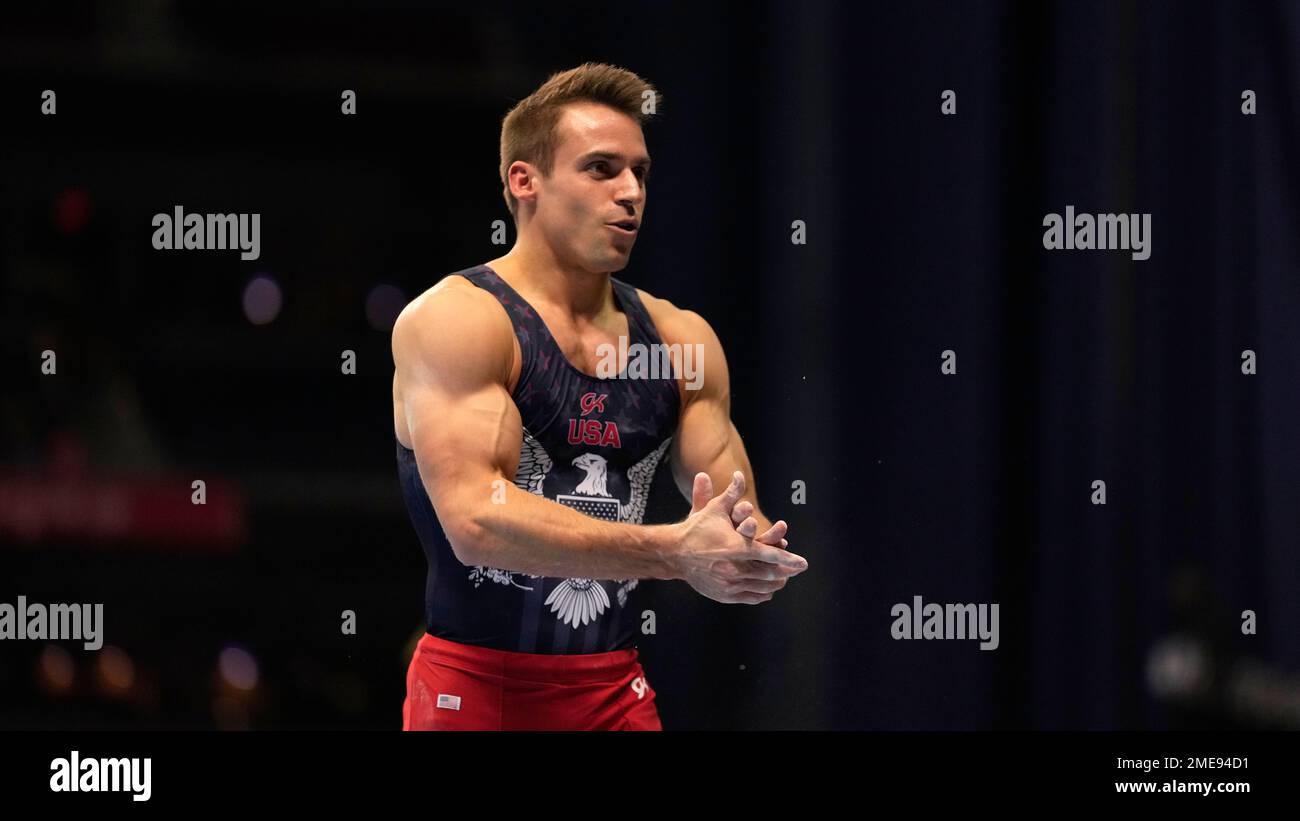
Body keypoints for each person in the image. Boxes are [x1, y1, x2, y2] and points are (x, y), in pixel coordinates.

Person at [391, 62, 808, 730]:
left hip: (611, 693)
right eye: (602, 169)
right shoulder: (459, 321)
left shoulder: (680, 341)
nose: (631, 192)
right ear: (523, 181)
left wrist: (745, 551)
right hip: (476, 690)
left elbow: (731, 518)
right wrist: (673, 551)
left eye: (640, 172)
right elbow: (474, 523)